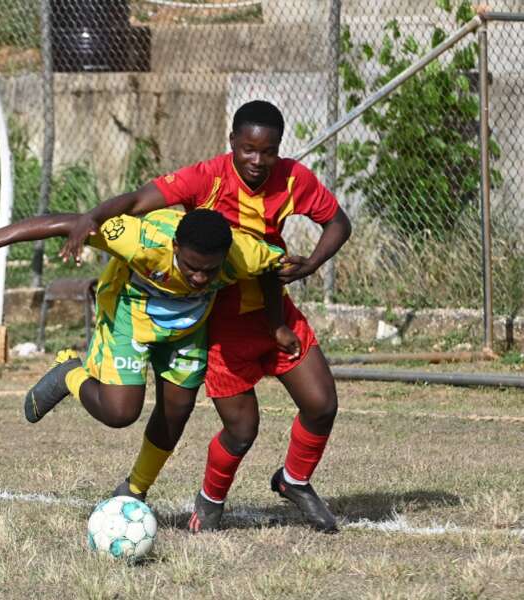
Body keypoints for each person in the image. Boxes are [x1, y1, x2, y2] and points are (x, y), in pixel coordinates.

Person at [59, 100, 352, 533]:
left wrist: (310, 267)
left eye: (267, 151)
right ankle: (210, 502)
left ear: (279, 149)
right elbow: (140, 199)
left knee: (322, 404)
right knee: (241, 430)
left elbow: (338, 224)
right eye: (248, 150)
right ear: (232, 143)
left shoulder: (294, 179)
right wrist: (91, 217)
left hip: (273, 310)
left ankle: (294, 481)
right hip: (220, 324)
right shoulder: (208, 176)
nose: (257, 160)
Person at [0, 209, 293, 494]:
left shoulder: (242, 253)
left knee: (176, 413)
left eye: (209, 272)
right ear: (174, 249)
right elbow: (66, 222)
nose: (200, 279)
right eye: (191, 268)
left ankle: (134, 490)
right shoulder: (141, 240)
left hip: (187, 332)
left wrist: (277, 324)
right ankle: (69, 374)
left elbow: (275, 266)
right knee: (120, 413)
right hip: (130, 317)